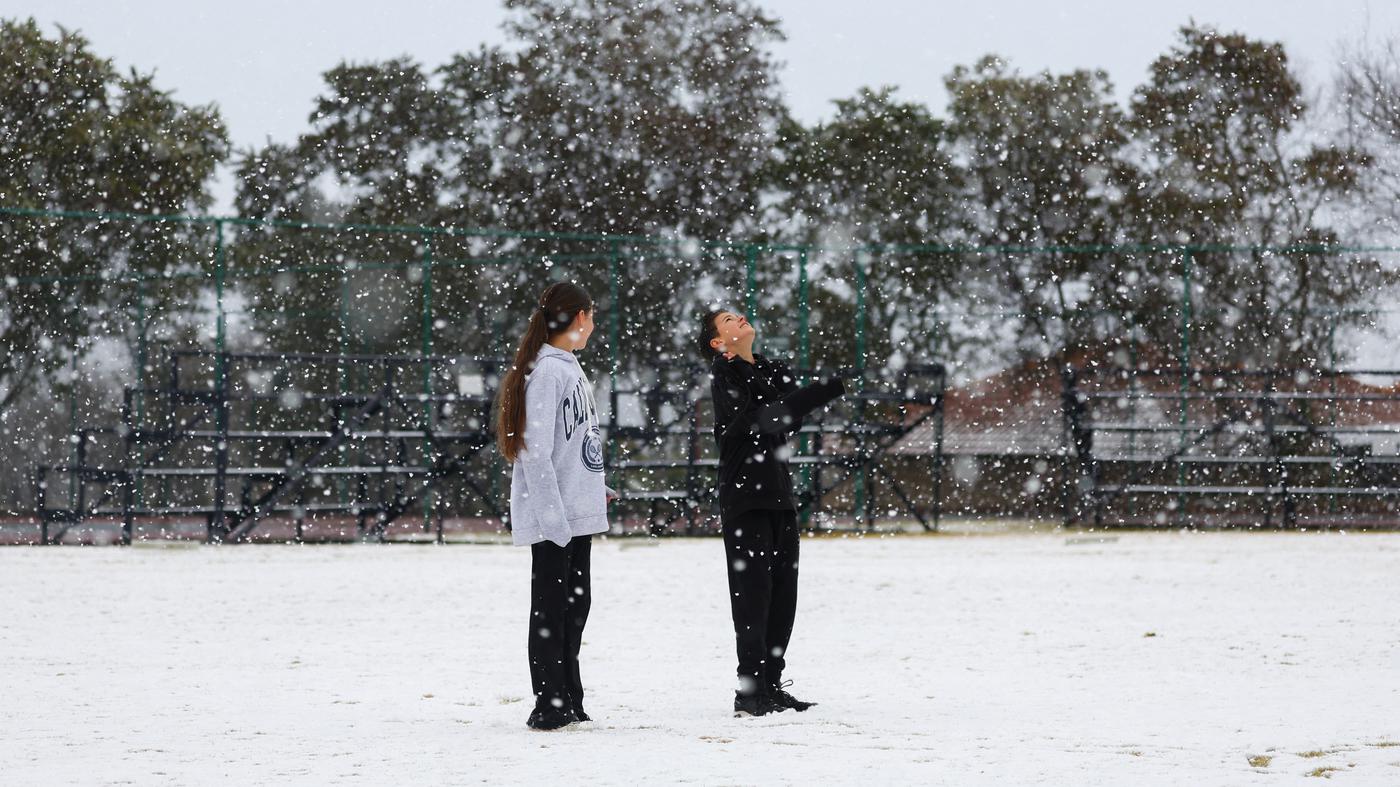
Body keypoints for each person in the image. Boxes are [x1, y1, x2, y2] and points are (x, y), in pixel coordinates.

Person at [696, 309, 847, 717]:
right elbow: (766, 419)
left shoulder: (767, 369)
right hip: (745, 500)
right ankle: (750, 691)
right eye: (729, 319)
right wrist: (820, 391)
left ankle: (772, 683)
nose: (741, 318)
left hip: (780, 497)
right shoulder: (724, 376)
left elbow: (787, 419)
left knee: (783, 596)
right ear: (717, 341)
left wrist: (807, 394)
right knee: (752, 598)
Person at [497, 282, 614, 730]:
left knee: (574, 609)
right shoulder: (547, 371)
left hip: (574, 513)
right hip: (555, 521)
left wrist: (593, 486)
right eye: (592, 315)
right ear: (580, 317)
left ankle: (570, 697)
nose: (593, 324)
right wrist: (554, 520)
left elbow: (571, 444)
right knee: (551, 610)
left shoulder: (568, 367)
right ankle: (549, 703)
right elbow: (533, 450)